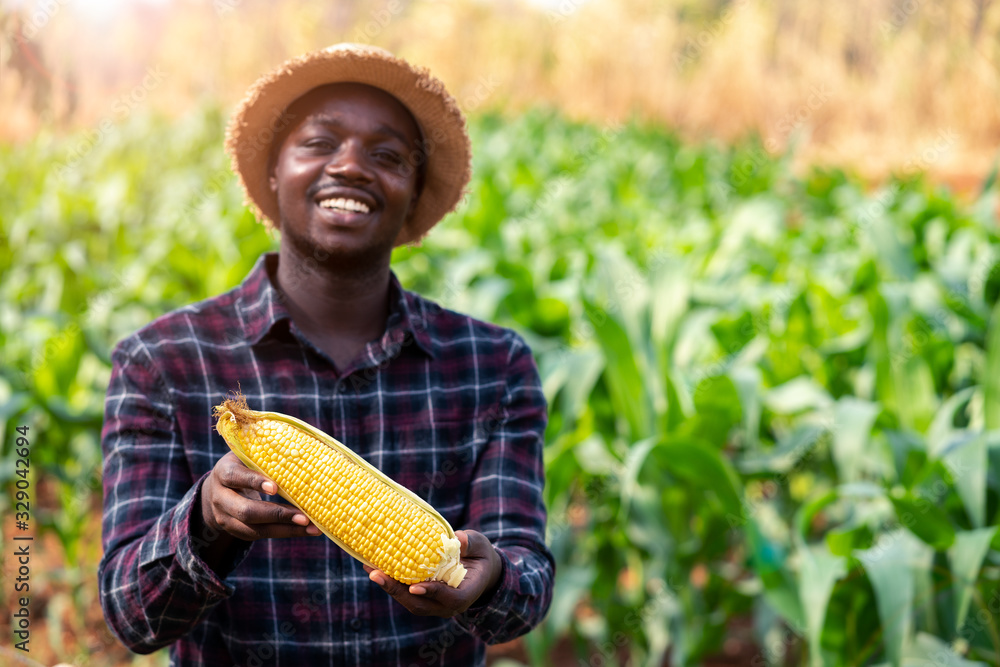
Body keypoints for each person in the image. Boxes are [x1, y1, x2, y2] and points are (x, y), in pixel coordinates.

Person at [98, 43, 554, 666]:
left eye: (387, 155)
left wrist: (492, 576)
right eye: (318, 143)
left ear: (415, 192)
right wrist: (204, 521)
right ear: (272, 174)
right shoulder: (160, 361)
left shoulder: (493, 364)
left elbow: (525, 592)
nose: (351, 167)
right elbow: (131, 618)